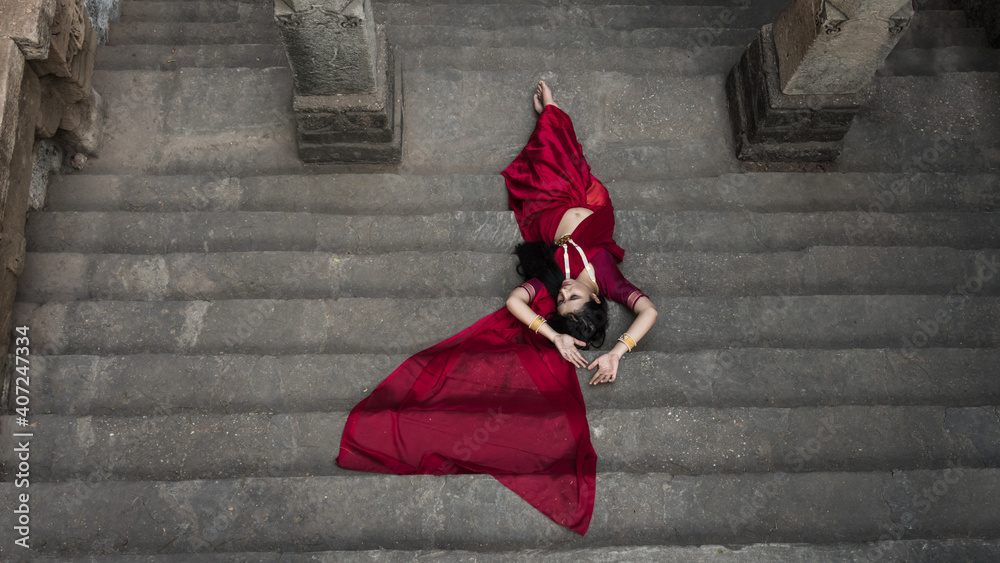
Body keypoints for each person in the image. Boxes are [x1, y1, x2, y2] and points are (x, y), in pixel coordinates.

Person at [337, 81, 656, 535]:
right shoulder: (611, 278)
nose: (565, 291)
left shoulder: (550, 280)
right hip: (590, 203)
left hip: (550, 212)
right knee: (580, 176)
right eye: (573, 295)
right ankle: (554, 114)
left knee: (548, 165)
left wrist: (554, 334)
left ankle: (552, 116)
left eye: (562, 300)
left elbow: (514, 302)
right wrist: (618, 351)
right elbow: (649, 313)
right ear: (598, 296)